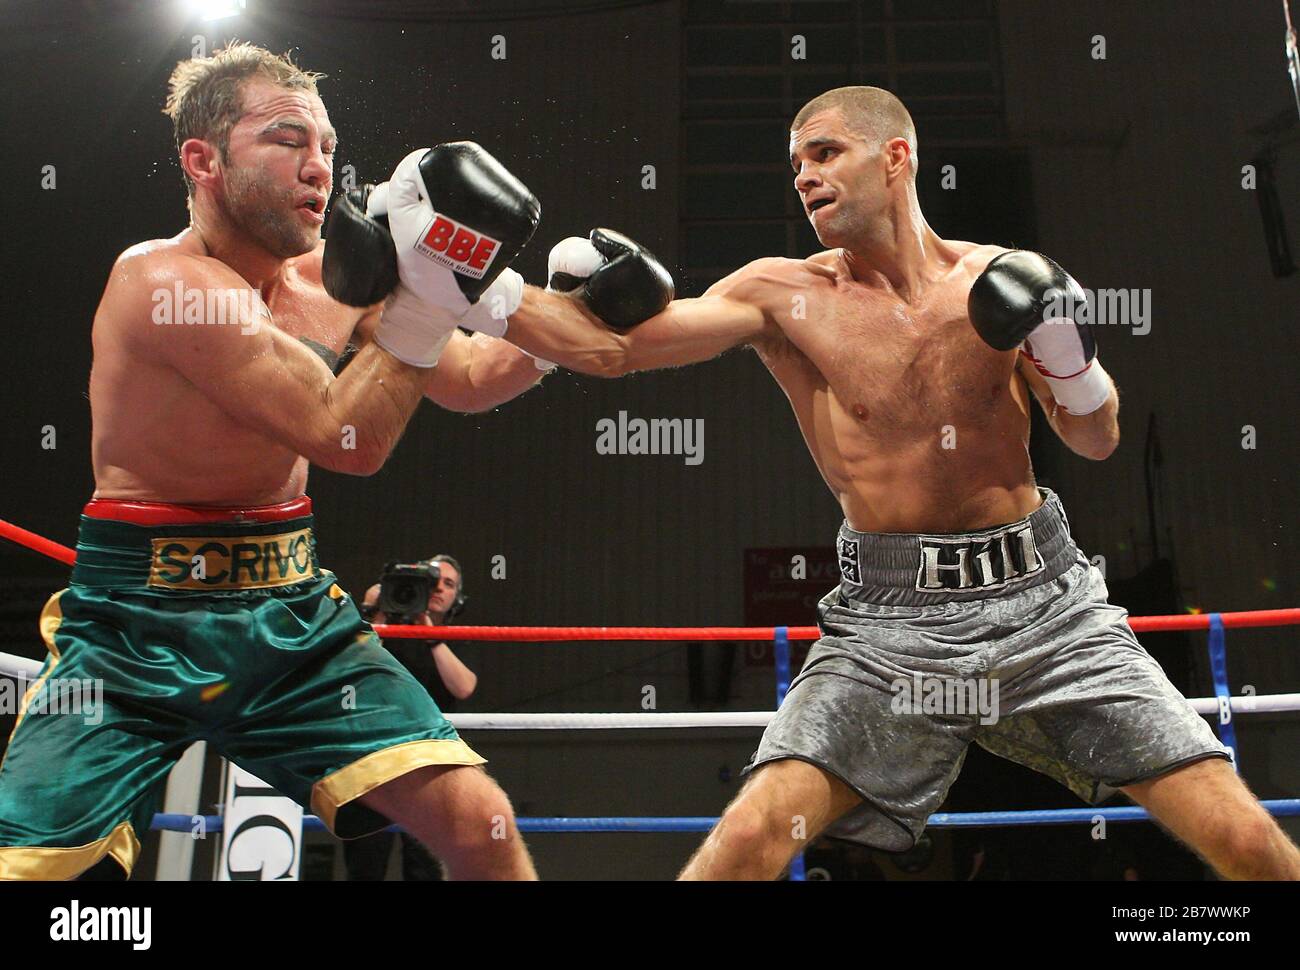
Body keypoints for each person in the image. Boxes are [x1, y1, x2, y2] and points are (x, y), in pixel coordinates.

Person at [497, 86, 1300, 881]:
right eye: (795, 164)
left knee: (1247, 840)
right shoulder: (783, 294)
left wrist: (1071, 359)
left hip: (1049, 604)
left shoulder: (1002, 282)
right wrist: (463, 282)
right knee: (746, 841)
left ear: (896, 157)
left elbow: (1096, 439)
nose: (804, 176)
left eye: (824, 152)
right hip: (888, 625)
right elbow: (613, 350)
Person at [0, 42, 550, 880]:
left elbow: (469, 378)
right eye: (288, 140)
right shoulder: (157, 281)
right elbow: (344, 438)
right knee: (37, 874)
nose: (319, 167)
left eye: (328, 148)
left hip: (290, 607)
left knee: (481, 826)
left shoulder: (333, 283)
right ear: (203, 160)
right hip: (135, 621)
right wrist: (421, 307)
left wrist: (556, 327)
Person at [345, 555, 476, 880]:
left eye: (448, 584)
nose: (438, 589)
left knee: (425, 867)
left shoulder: (452, 639)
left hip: (428, 762)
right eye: (431, 581)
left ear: (457, 599)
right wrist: (371, 611)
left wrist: (431, 635)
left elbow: (464, 687)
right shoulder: (383, 628)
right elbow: (349, 666)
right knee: (365, 862)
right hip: (372, 755)